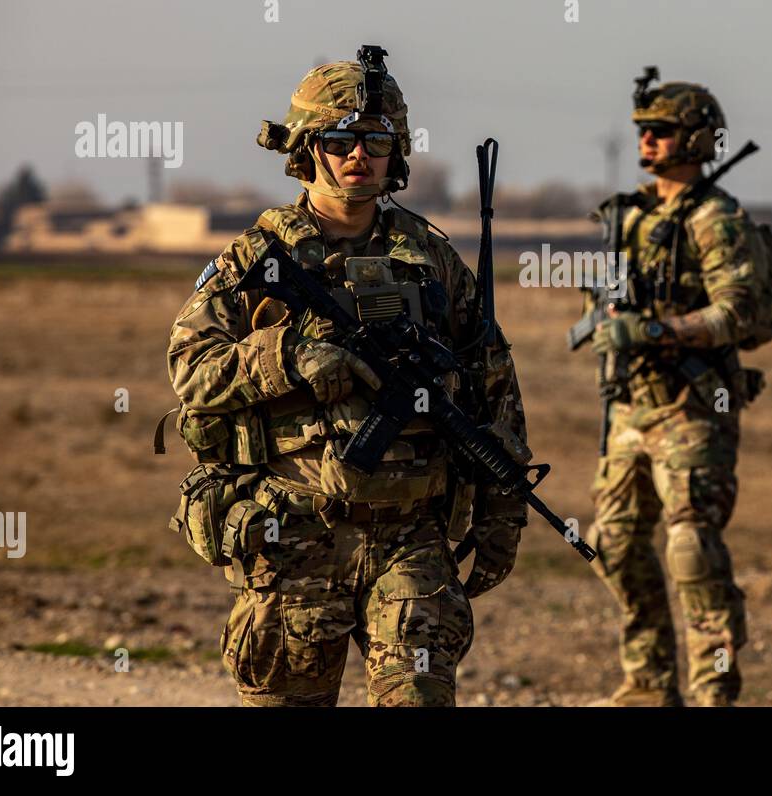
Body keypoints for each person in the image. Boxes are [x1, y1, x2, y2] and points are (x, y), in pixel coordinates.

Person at [165, 51, 528, 707]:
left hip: (411, 539)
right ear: (307, 149)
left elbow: (492, 386)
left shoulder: (430, 257)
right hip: (295, 536)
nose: (359, 157)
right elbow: (193, 369)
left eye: (377, 142)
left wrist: (503, 512)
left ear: (398, 153)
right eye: (339, 141)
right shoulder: (258, 258)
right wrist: (290, 356)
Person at [583, 72, 762, 706]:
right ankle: (648, 684)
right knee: (614, 543)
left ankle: (713, 689)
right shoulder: (632, 214)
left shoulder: (718, 220)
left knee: (690, 546)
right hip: (630, 406)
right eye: (642, 131)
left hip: (693, 409)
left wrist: (655, 329)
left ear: (694, 138)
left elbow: (741, 314)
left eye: (659, 131)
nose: (648, 141)